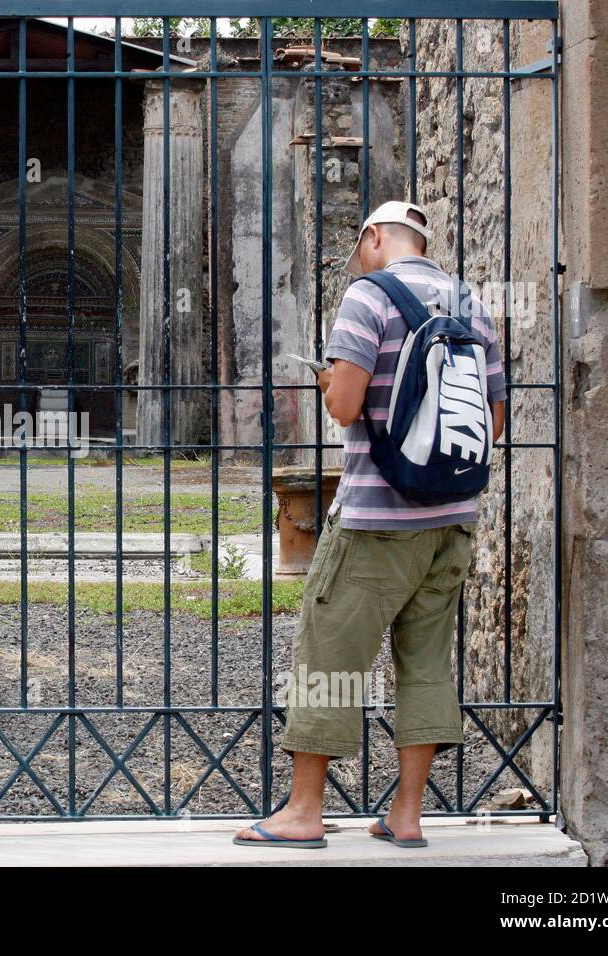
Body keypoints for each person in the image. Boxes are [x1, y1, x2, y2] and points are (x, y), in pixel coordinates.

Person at [234, 201, 507, 849]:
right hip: (452, 521)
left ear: (375, 237)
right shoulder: (473, 304)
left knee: (329, 655)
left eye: (359, 248)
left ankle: (303, 813)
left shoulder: (368, 297)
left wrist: (332, 383)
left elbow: (347, 406)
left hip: (374, 520)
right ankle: (406, 817)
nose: (355, 261)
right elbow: (494, 422)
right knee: (427, 663)